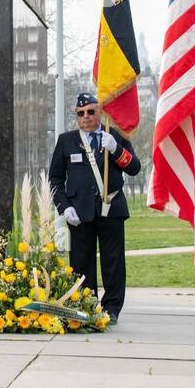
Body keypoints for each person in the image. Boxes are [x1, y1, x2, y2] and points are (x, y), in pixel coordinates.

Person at [49, 92, 141, 324]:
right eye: (81, 113)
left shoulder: (114, 135)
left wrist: (117, 150)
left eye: (91, 111)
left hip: (111, 209)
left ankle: (112, 309)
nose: (86, 117)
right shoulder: (66, 140)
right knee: (81, 262)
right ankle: (85, 305)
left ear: (100, 112)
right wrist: (64, 207)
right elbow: (56, 179)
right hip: (80, 213)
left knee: (113, 262)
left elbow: (135, 168)